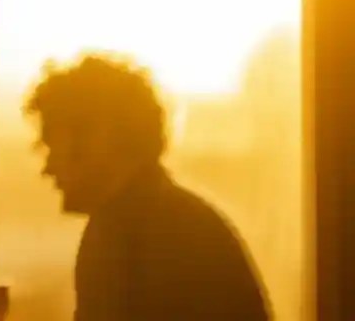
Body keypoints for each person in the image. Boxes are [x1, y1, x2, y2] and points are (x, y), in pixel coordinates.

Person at [25, 54, 270, 320]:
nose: (47, 168)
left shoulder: (136, 239)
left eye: (52, 145)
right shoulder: (160, 224)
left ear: (99, 138)